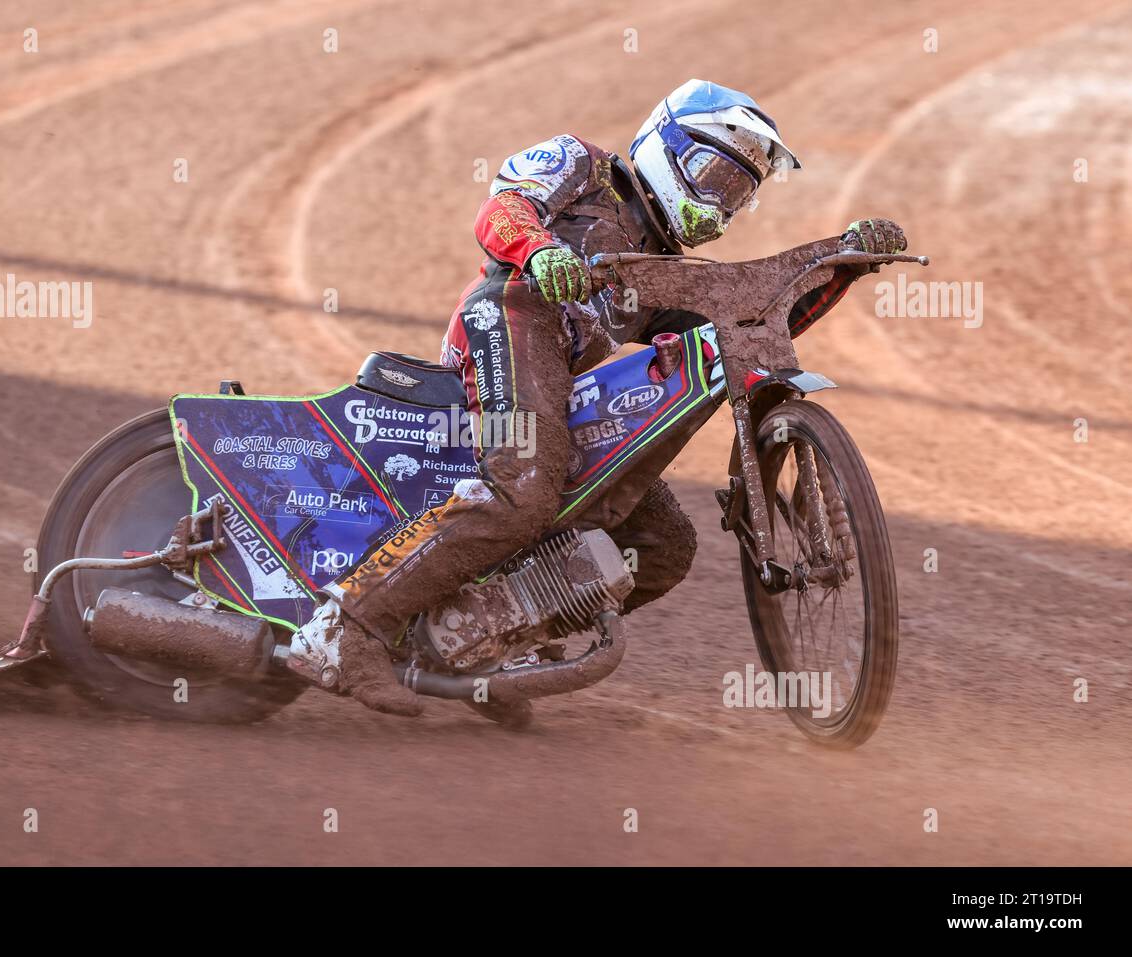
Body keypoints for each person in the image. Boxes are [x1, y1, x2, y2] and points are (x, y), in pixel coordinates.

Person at [288, 78, 906, 716]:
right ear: (668, 146)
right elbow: (500, 210)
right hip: (511, 317)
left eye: (737, 193)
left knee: (664, 546)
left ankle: (489, 648)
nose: (720, 205)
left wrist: (845, 264)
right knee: (522, 487)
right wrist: (541, 250)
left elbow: (744, 326)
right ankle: (344, 631)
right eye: (713, 177)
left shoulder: (664, 266)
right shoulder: (581, 164)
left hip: (564, 379)